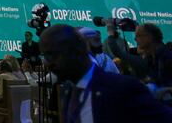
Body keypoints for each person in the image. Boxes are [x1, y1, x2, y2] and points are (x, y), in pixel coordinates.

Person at [41, 23, 172, 121]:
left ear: (77, 50)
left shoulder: (121, 89)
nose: (47, 63)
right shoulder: (70, 91)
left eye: (52, 55)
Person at [137, 23, 172, 87]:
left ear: (150, 37)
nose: (135, 39)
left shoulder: (167, 55)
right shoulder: (150, 58)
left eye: (138, 35)